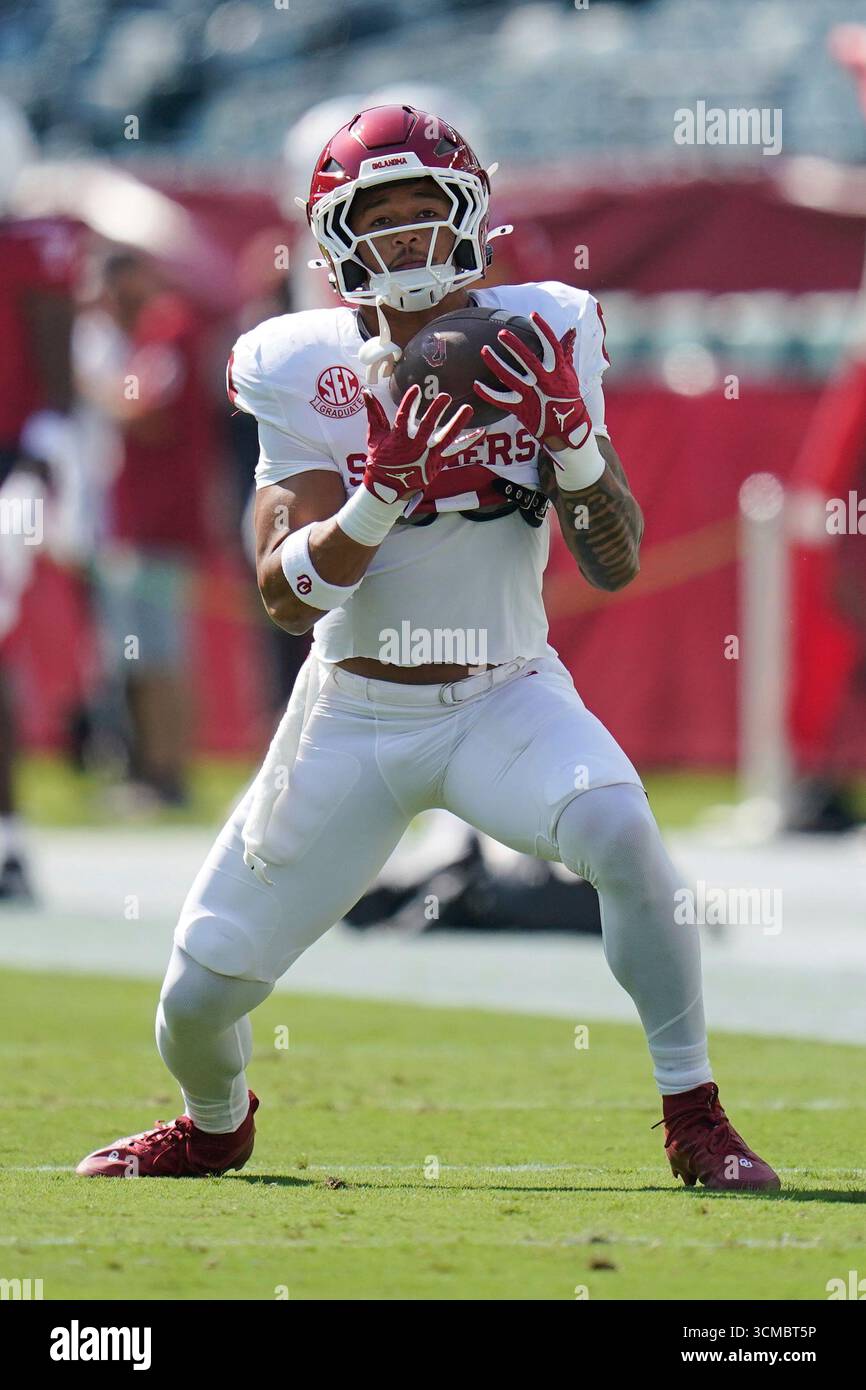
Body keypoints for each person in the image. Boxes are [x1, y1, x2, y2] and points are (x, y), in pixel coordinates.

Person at [77, 104, 779, 1191]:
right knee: (197, 997)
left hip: (505, 691)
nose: (403, 234)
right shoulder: (299, 360)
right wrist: (381, 496)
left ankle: (693, 1110)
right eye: (377, 212)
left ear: (469, 215)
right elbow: (283, 598)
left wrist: (576, 448)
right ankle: (216, 1121)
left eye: (423, 208)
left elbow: (613, 561)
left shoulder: (549, 328)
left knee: (621, 831)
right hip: (353, 714)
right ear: (335, 234)